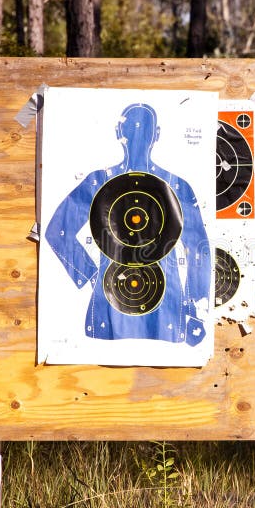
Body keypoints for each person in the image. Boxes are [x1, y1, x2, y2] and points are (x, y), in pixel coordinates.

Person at [45, 103, 211, 346]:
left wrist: (196, 307)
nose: (138, 138)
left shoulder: (103, 181)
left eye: (142, 131)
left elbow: (199, 249)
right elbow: (57, 231)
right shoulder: (174, 185)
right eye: (132, 130)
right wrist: (89, 274)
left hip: (159, 312)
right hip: (121, 309)